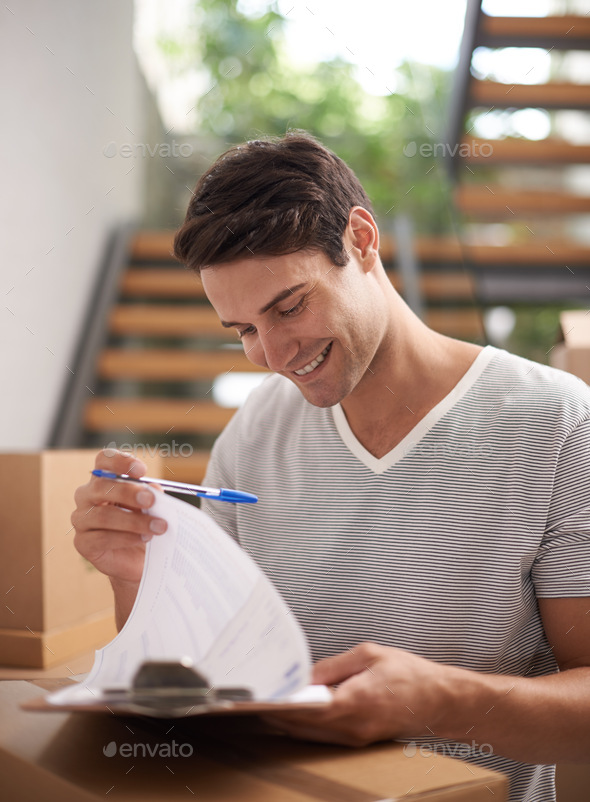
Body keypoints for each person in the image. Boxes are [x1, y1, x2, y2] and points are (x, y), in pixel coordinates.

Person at [72, 132, 590, 802]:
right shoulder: (251, 439)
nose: (273, 353)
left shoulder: (557, 425)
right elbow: (194, 685)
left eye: (289, 306)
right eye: (245, 330)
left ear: (363, 241)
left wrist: (438, 702)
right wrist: (140, 577)